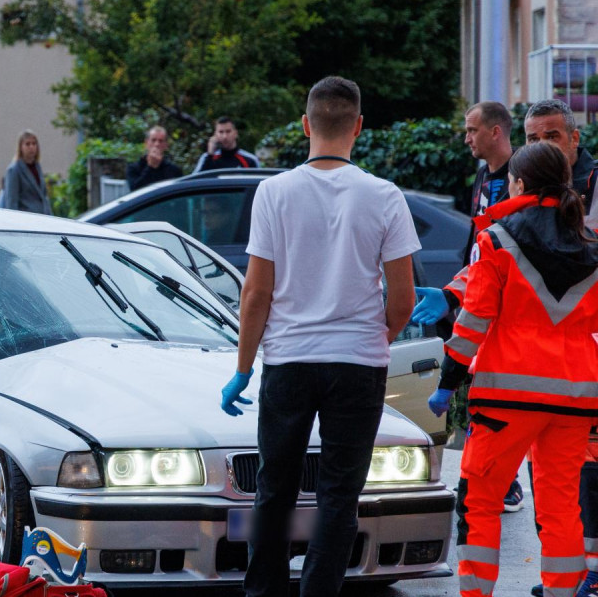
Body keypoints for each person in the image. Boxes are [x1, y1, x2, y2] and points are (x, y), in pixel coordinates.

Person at [220, 76, 418, 596]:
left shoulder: (273, 192)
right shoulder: (385, 196)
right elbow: (403, 301)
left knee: (274, 490)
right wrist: (374, 339)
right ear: (358, 128)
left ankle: (263, 591)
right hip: (358, 363)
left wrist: (243, 368)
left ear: (306, 125)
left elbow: (256, 295)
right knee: (338, 495)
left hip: (288, 362)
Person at [427, 141, 598, 597]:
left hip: (507, 395)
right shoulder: (591, 248)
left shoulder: (497, 239)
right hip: (576, 398)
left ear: (519, 184)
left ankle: (477, 593)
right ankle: (563, 592)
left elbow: (472, 323)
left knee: (480, 501)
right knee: (562, 505)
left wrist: (447, 384)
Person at [412, 101, 528, 512]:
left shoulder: (522, 175)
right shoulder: (482, 176)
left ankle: (506, 481)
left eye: (472, 130)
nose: (466, 138)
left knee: (499, 391)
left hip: (508, 304)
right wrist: (454, 293)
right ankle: (495, 476)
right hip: (478, 291)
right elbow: (476, 245)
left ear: (496, 132)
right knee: (477, 389)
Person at [0, 130, 53, 214]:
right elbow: (11, 201)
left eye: (34, 144)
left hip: (43, 218)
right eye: (27, 144)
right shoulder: (14, 169)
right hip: (26, 219)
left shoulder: (37, 166)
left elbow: (43, 196)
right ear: (20, 147)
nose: (31, 147)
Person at [193, 116, 261, 172]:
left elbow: (258, 184)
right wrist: (210, 153)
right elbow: (194, 182)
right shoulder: (207, 158)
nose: (224, 136)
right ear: (215, 134)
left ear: (235, 133)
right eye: (221, 132)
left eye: (228, 131)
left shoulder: (250, 160)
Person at [126, 126, 183, 190]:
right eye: (153, 140)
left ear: (166, 145)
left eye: (160, 141)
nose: (157, 144)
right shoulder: (134, 168)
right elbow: (135, 191)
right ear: (146, 143)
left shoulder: (174, 170)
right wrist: (151, 167)